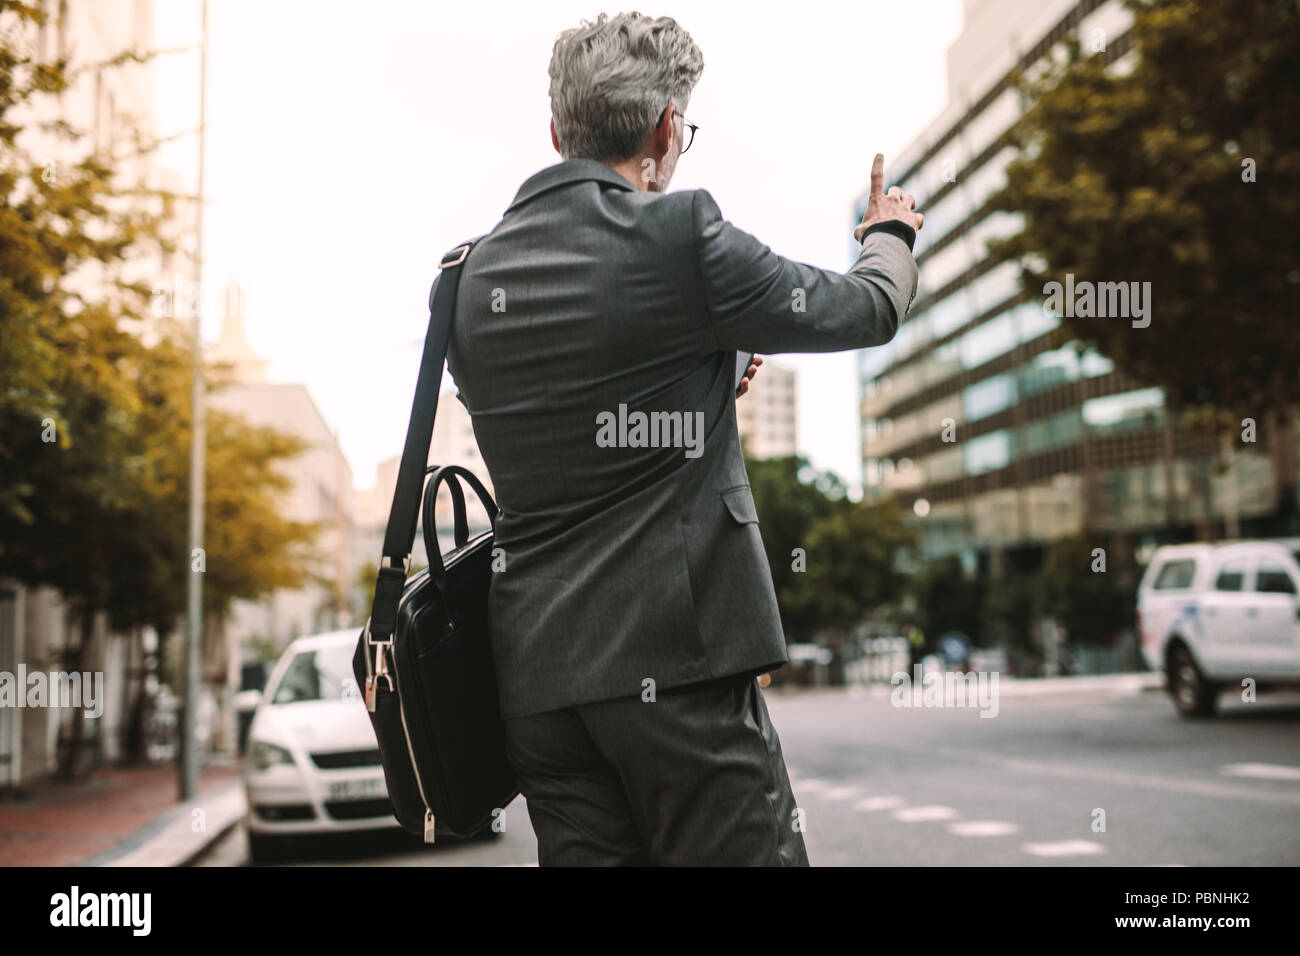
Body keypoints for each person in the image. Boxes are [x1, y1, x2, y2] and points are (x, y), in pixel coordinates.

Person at [445, 11, 921, 865]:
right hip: (679, 667)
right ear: (667, 130)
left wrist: (703, 371)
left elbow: (576, 403)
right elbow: (867, 307)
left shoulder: (468, 277)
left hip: (541, 691)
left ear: (558, 132)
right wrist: (890, 231)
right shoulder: (680, 236)